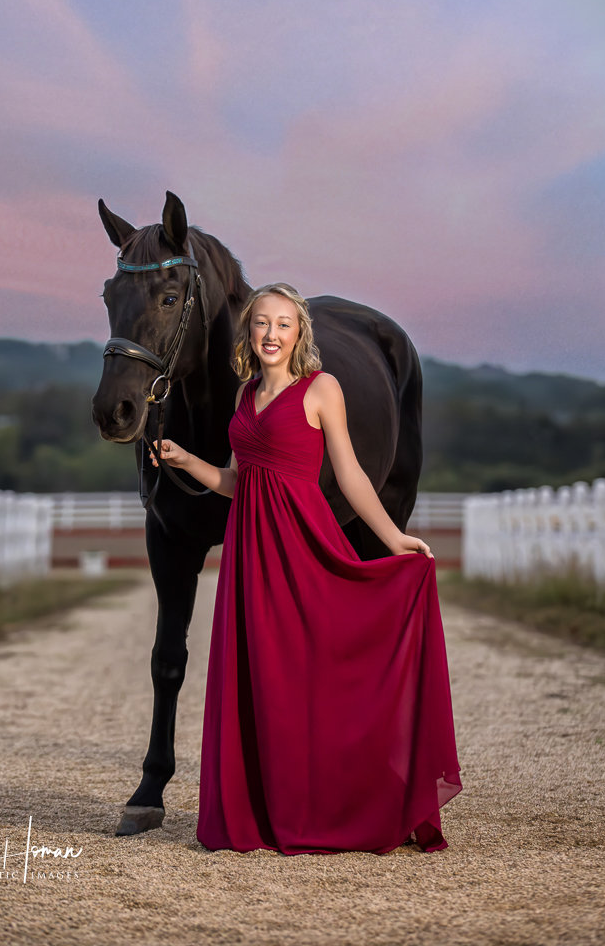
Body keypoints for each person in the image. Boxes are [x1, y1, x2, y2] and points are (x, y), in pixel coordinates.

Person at [153, 282, 462, 855]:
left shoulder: (321, 390)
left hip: (302, 543)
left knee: (313, 668)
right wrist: (186, 459)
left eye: (284, 324)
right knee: (261, 675)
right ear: (250, 332)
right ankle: (265, 807)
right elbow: (239, 480)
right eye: (262, 323)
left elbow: (348, 475)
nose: (271, 334)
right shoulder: (245, 397)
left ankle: (341, 801)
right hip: (249, 553)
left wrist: (393, 537)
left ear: (300, 334)